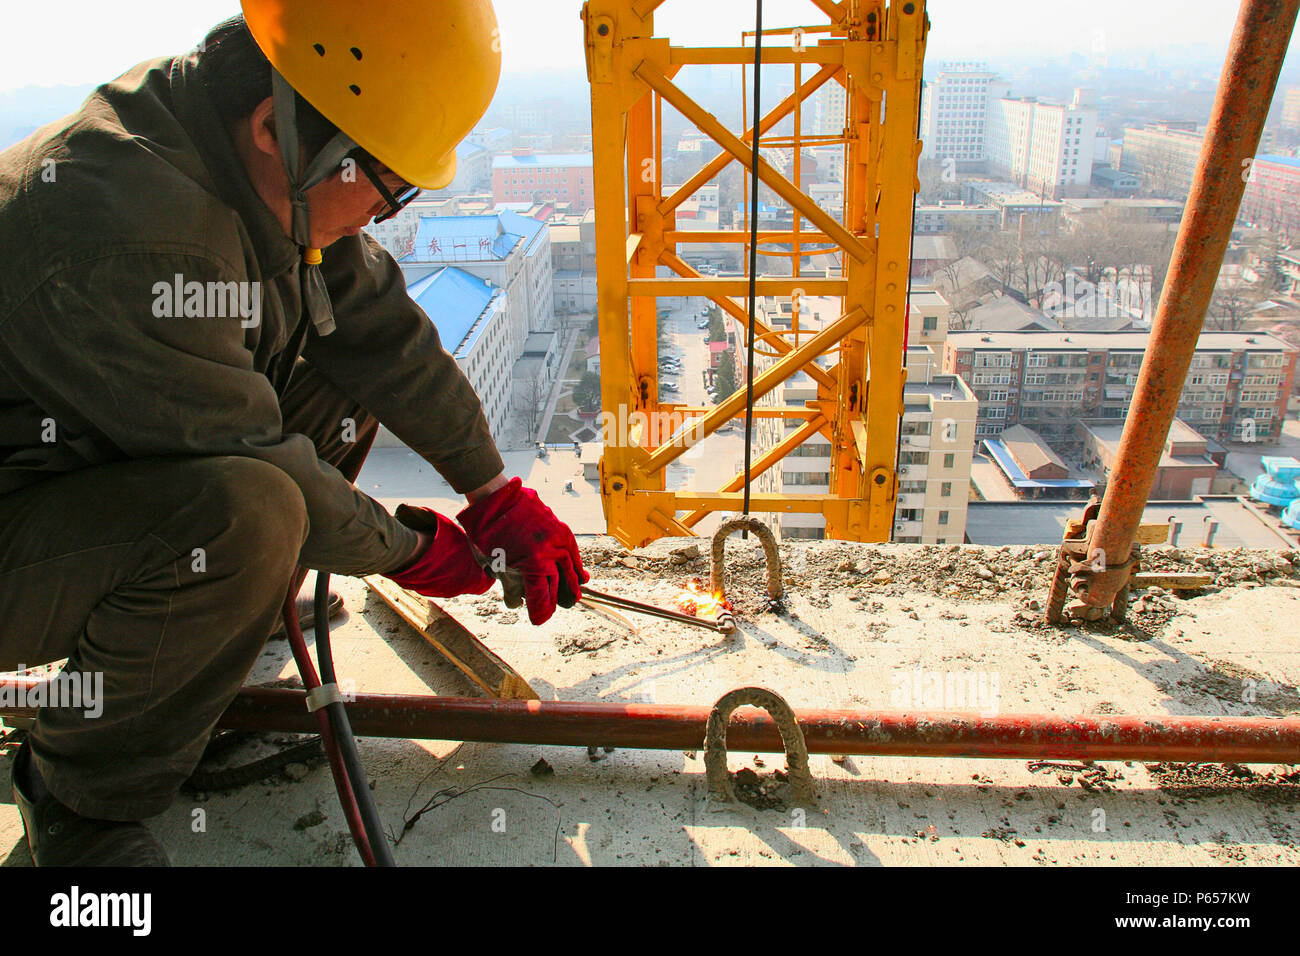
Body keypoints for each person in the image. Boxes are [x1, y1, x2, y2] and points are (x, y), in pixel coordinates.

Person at [0, 0, 585, 866]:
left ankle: (217, 622)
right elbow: (256, 466)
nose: (385, 216)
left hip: (76, 467)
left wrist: (494, 493)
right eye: (385, 190)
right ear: (281, 126)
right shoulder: (130, 222)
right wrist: (413, 551)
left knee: (334, 378)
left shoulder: (241, 145)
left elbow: (381, 328)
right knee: (250, 514)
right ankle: (80, 791)